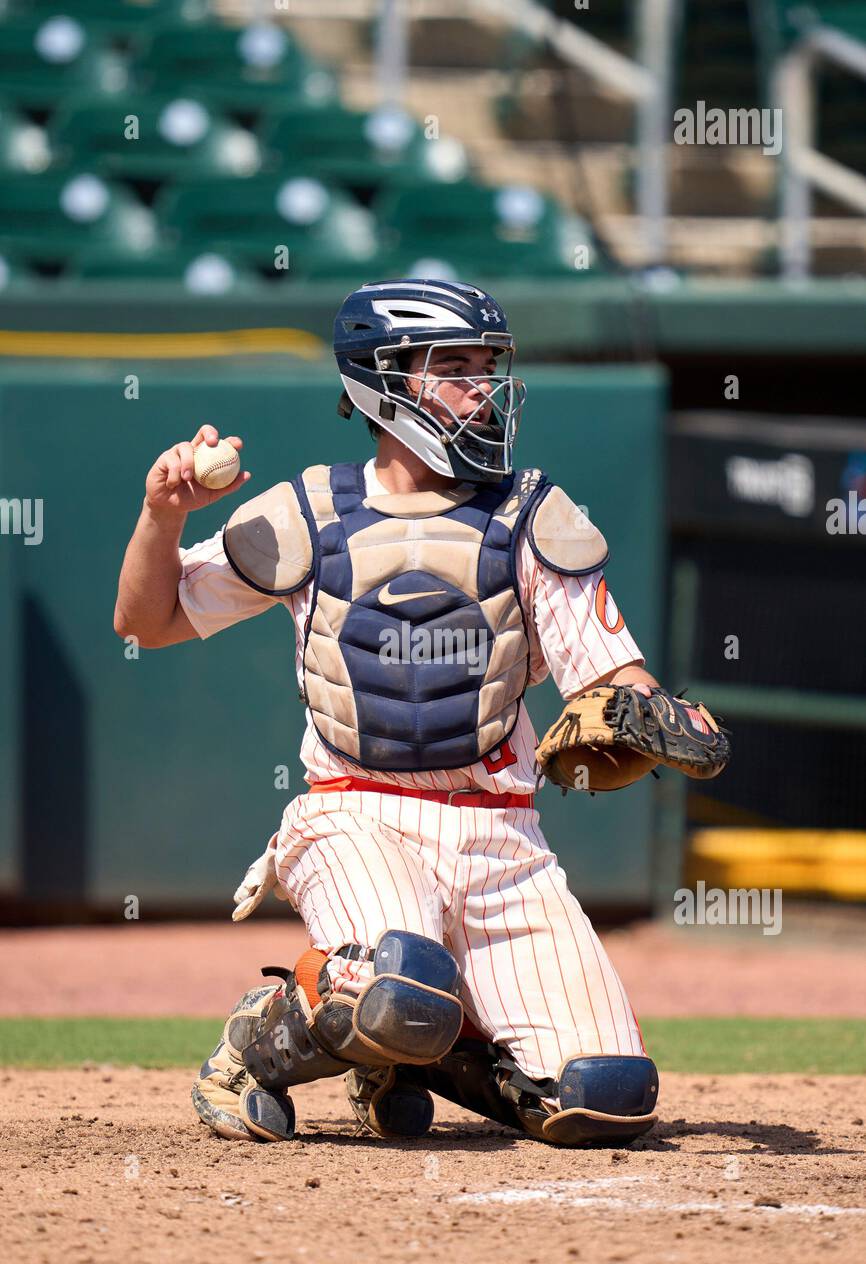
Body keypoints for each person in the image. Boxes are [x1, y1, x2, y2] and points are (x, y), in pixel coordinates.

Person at [114, 278, 664, 1148]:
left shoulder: (531, 515)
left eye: (489, 367)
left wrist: (649, 714)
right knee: (401, 983)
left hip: (503, 840)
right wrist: (161, 515)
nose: (482, 388)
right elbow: (147, 621)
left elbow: (614, 677)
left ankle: (399, 1056)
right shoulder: (308, 512)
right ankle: (258, 1043)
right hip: (355, 814)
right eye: (455, 368)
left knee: (607, 1096)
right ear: (386, 381)